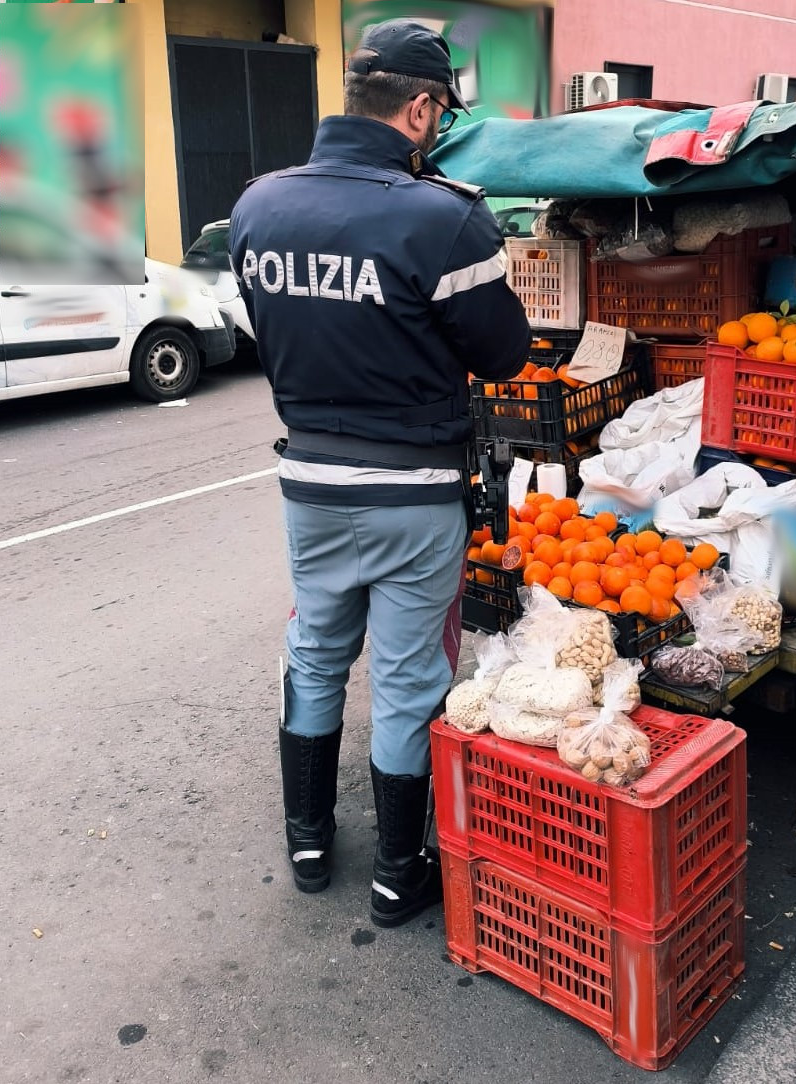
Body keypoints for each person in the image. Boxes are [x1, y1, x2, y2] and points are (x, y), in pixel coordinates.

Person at [228, 19, 531, 928]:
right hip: (414, 495)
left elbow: (267, 329)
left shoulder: (258, 207)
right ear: (422, 109)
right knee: (406, 680)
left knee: (315, 655)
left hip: (311, 485)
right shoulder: (444, 218)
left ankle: (308, 840)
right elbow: (504, 355)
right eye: (442, 115)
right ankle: (400, 875)